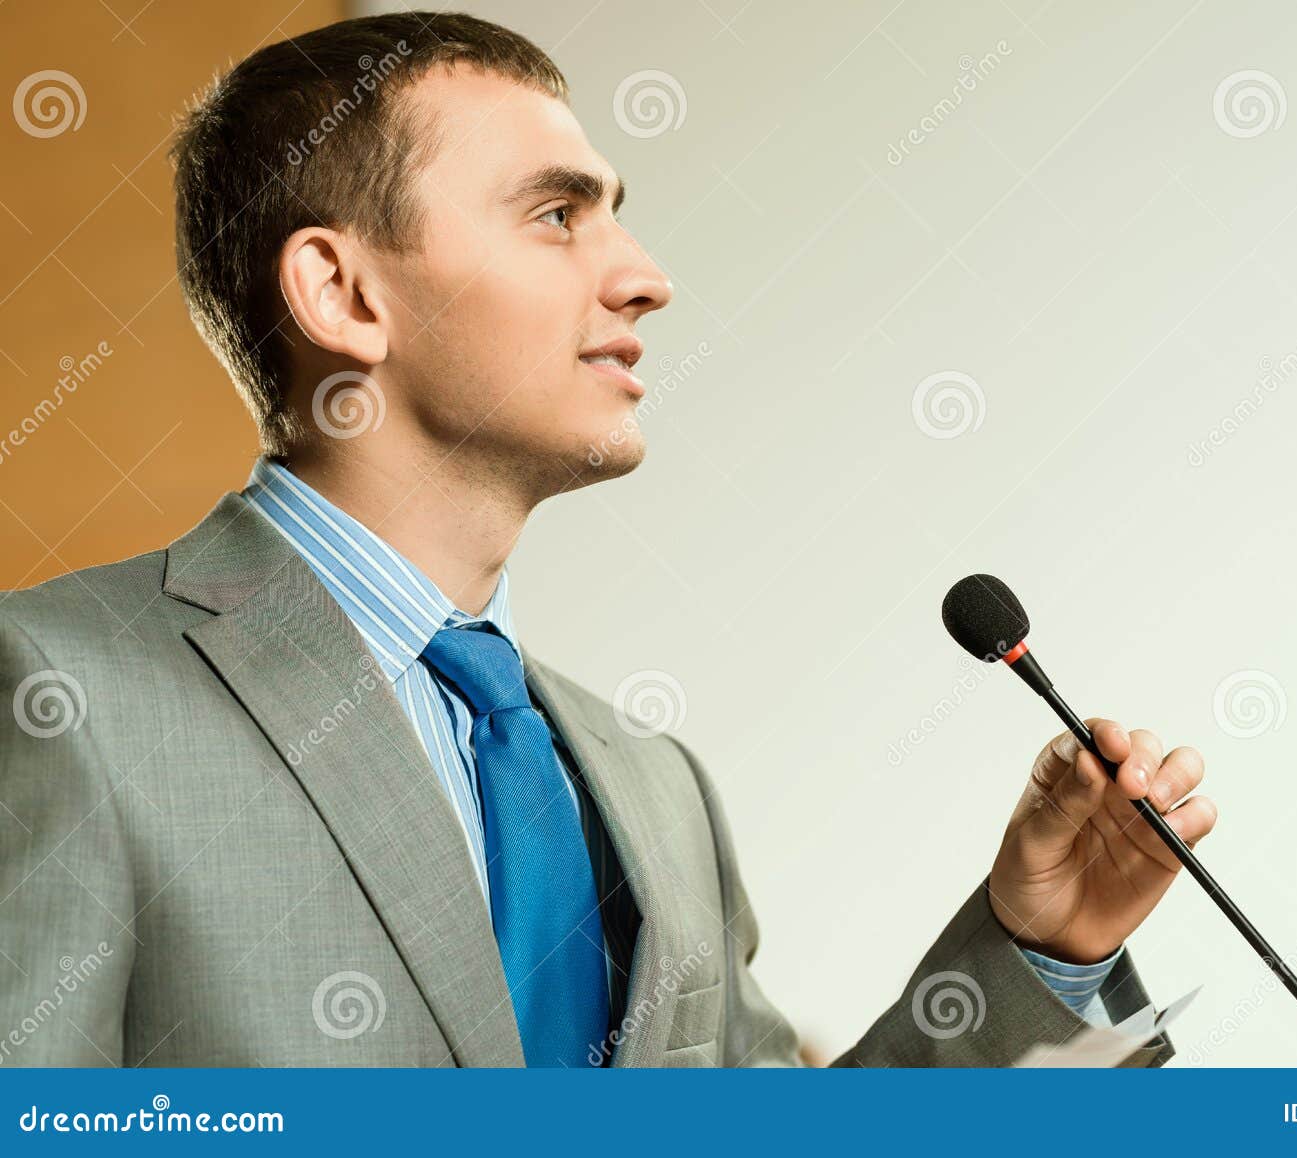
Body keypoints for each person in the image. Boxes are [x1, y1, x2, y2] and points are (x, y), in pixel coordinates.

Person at [0, 12, 1216, 1067]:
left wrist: (1036, 943)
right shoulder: (56, 696)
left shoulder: (653, 785)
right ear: (342, 295)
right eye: (556, 213)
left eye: (614, 214)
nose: (643, 277)